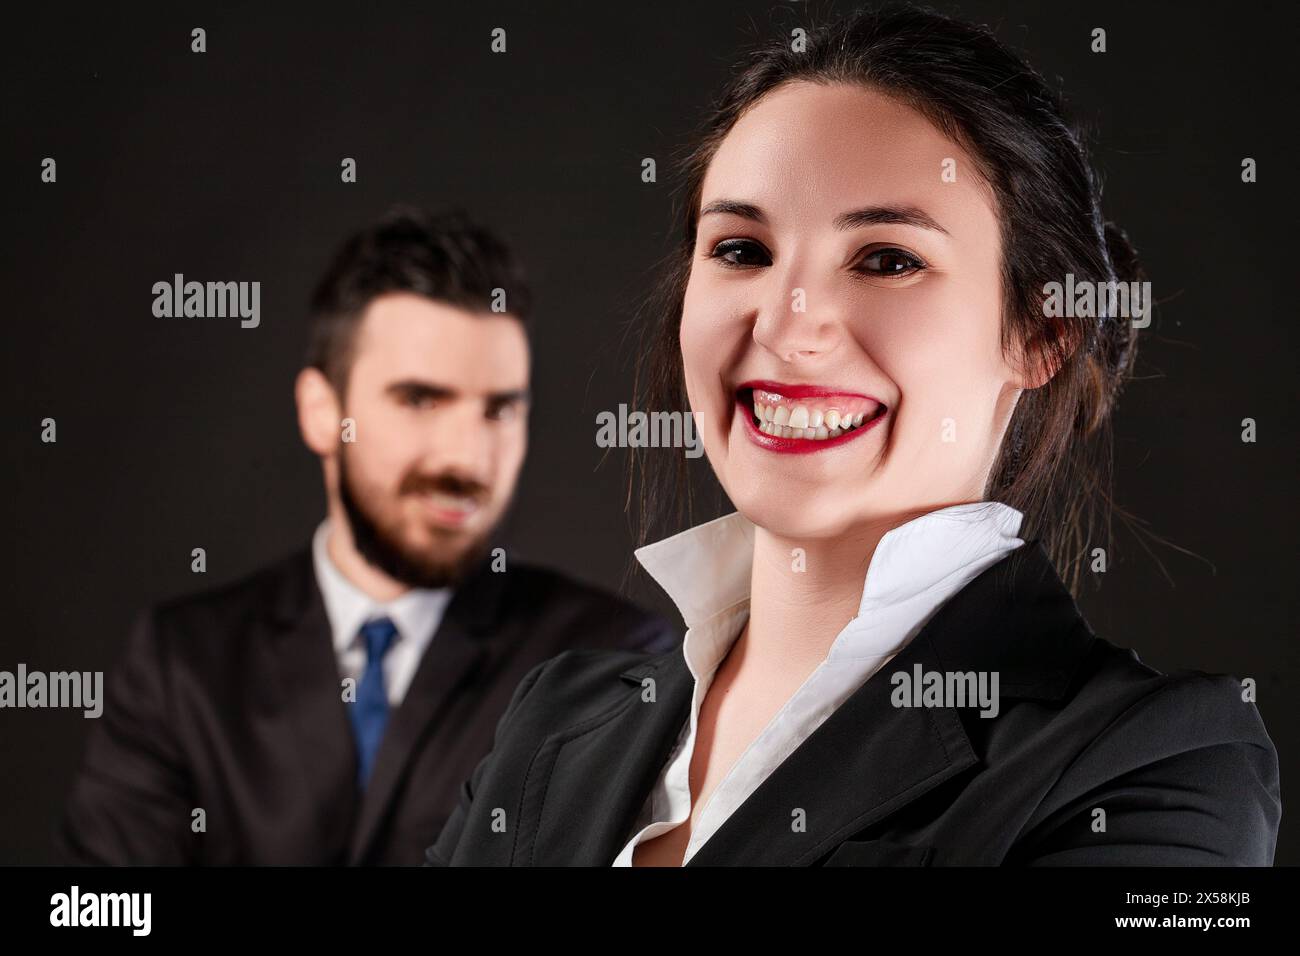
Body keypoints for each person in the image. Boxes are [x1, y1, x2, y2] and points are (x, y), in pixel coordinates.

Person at [426, 6, 1280, 866]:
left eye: (886, 259)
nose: (789, 327)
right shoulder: (551, 720)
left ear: (1041, 333)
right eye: (742, 249)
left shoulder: (1154, 767)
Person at [57, 207, 677, 865]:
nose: (466, 459)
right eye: (419, 400)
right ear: (322, 413)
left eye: (500, 409)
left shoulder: (613, 663)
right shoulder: (182, 665)